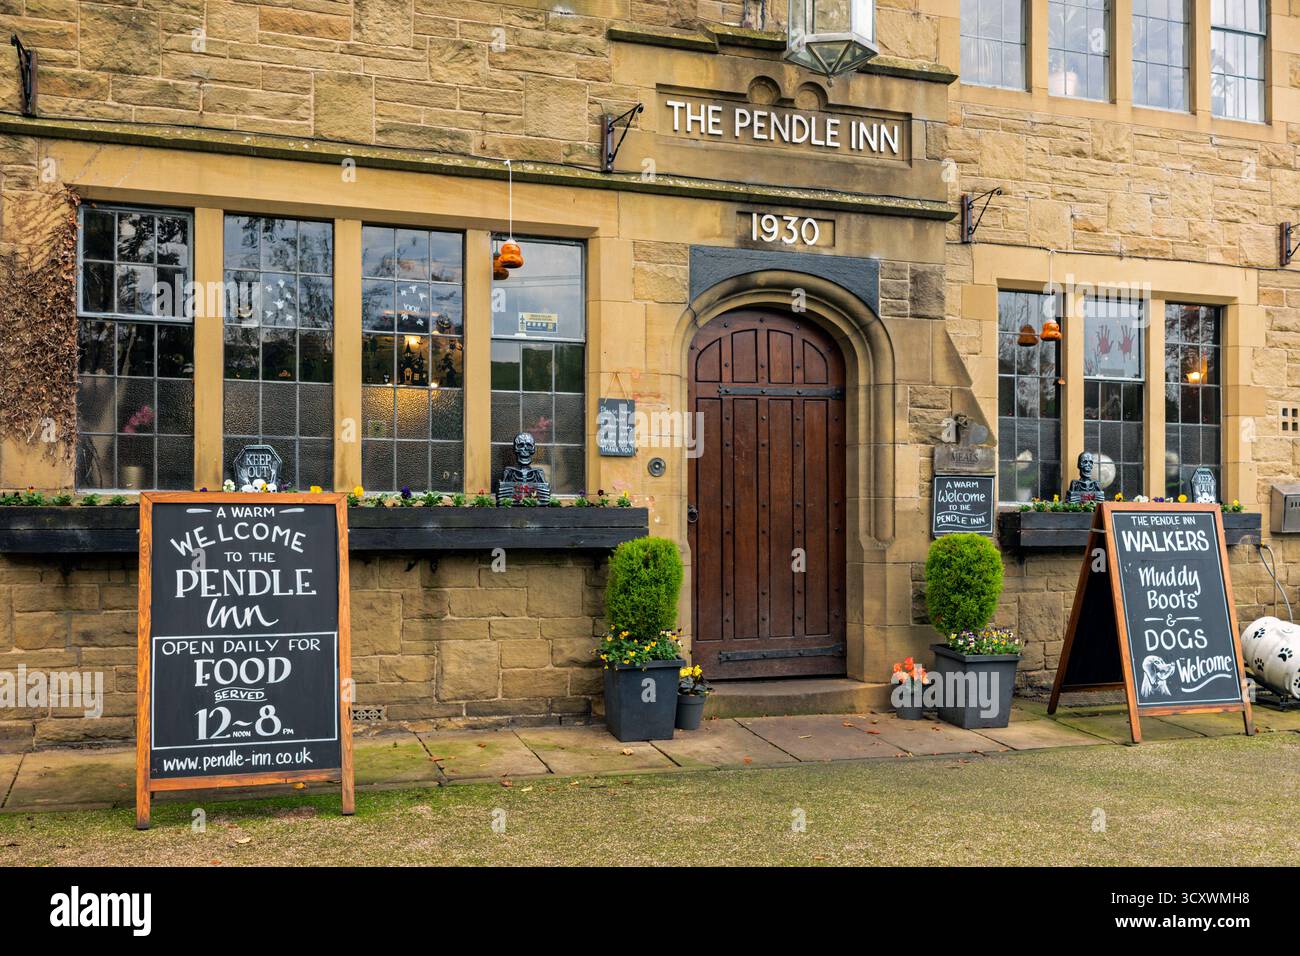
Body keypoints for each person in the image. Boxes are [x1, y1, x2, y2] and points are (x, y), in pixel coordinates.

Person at [496, 432, 551, 504]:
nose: (524, 450)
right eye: (520, 446)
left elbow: (545, 495)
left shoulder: (538, 473)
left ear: (533, 449)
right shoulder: (509, 472)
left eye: (529, 446)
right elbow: (502, 496)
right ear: (515, 449)